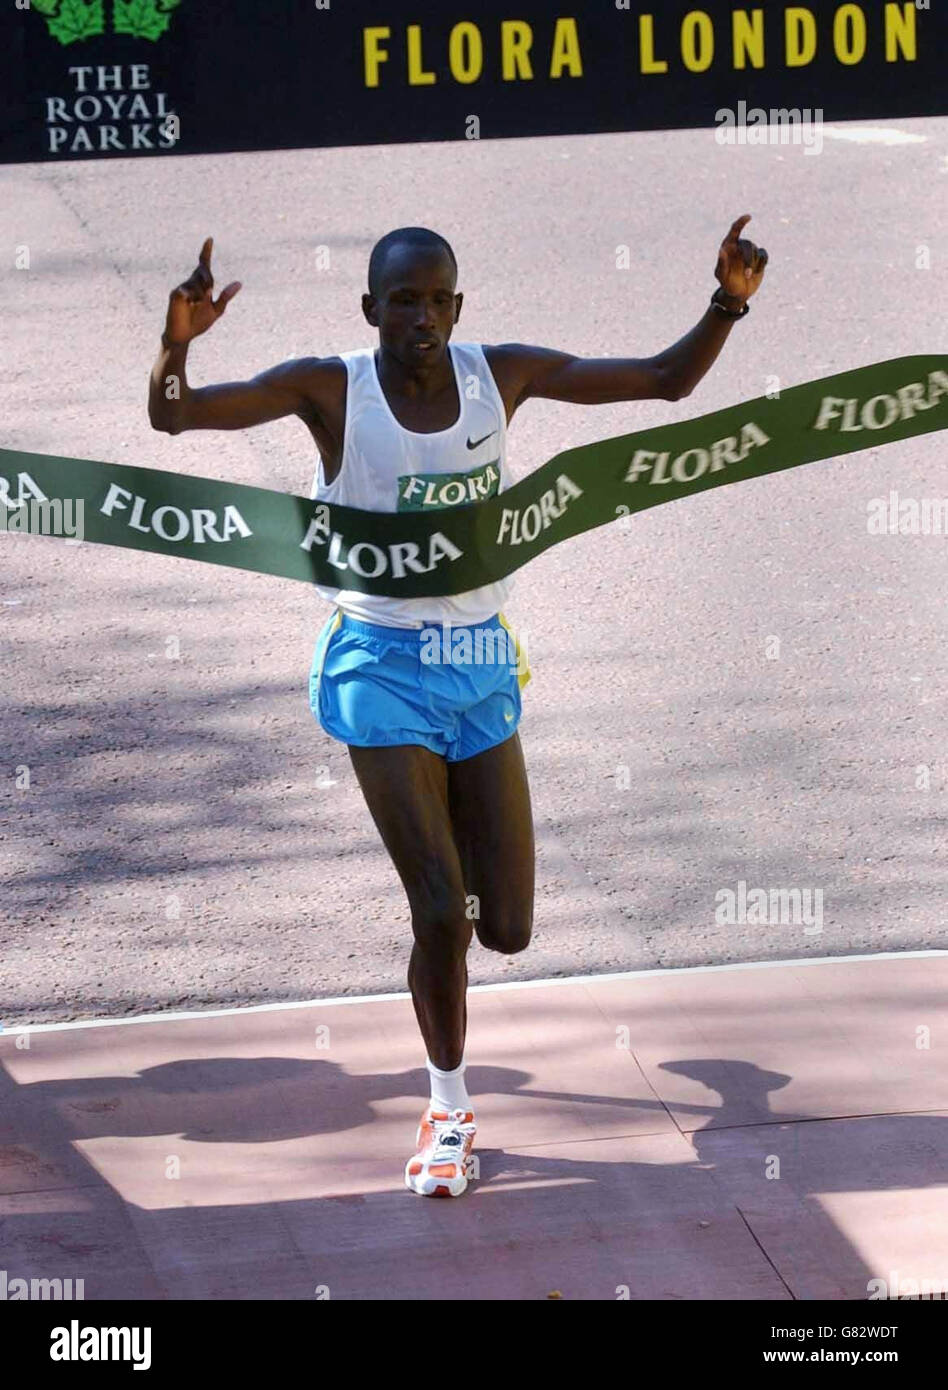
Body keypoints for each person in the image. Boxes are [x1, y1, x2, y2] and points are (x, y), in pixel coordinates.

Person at [148, 218, 768, 1197]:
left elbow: (664, 381)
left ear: (458, 307)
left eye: (437, 298)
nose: (422, 317)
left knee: (505, 925)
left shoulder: (501, 374)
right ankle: (449, 1108)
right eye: (403, 299)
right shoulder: (329, 388)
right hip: (379, 671)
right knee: (439, 909)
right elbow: (175, 419)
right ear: (371, 309)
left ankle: (465, 979)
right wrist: (177, 340)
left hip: (480, 668)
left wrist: (726, 300)